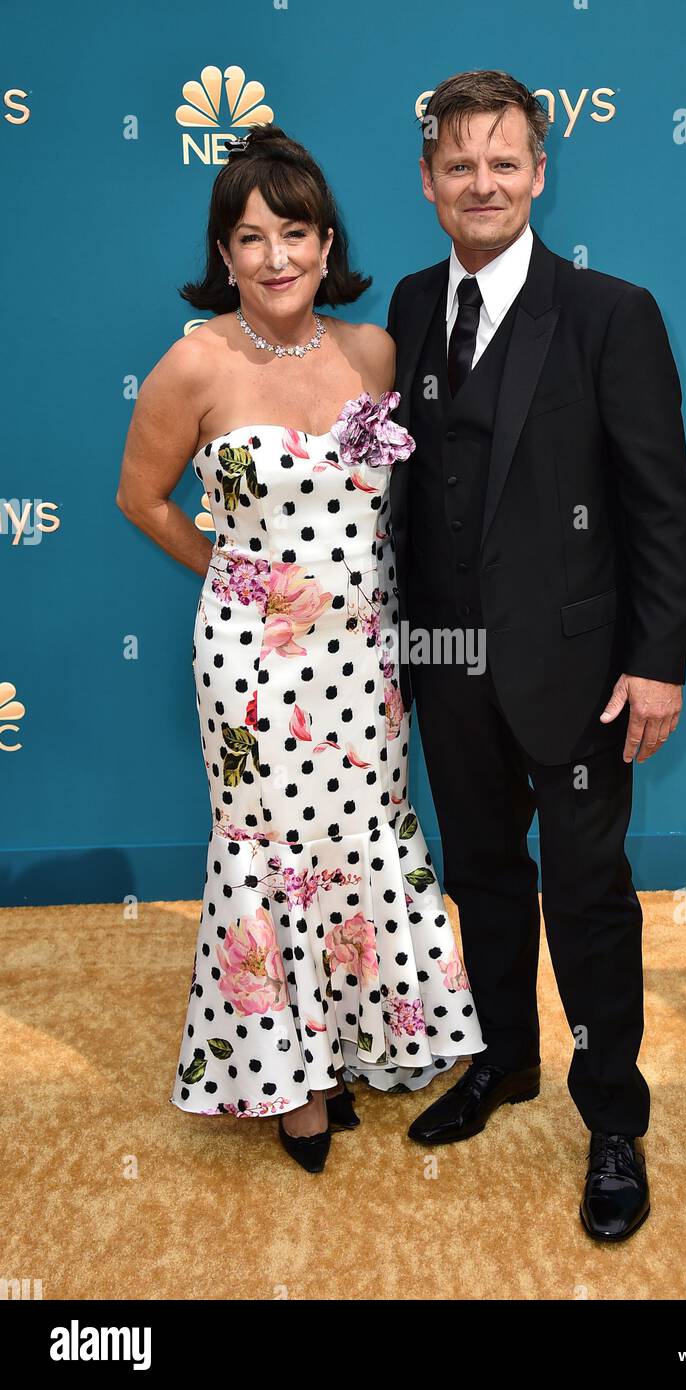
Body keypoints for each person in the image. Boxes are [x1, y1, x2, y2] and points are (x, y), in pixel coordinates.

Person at [115, 123, 485, 1174]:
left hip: (363, 660)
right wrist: (240, 577)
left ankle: (368, 1035)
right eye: (248, 237)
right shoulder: (193, 366)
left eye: (293, 232)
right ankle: (295, 1083)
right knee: (269, 851)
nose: (274, 257)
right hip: (253, 664)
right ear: (220, 255)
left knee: (366, 834)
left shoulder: (371, 350)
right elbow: (140, 498)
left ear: (327, 243)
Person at [385, 70, 686, 1240]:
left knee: (586, 893)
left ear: (537, 172)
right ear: (427, 184)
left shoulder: (613, 313)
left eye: (501, 162)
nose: (481, 183)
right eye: (458, 165)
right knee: (481, 874)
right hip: (445, 661)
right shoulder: (411, 306)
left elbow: (658, 504)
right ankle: (504, 1061)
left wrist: (656, 659)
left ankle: (610, 1117)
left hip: (576, 674)